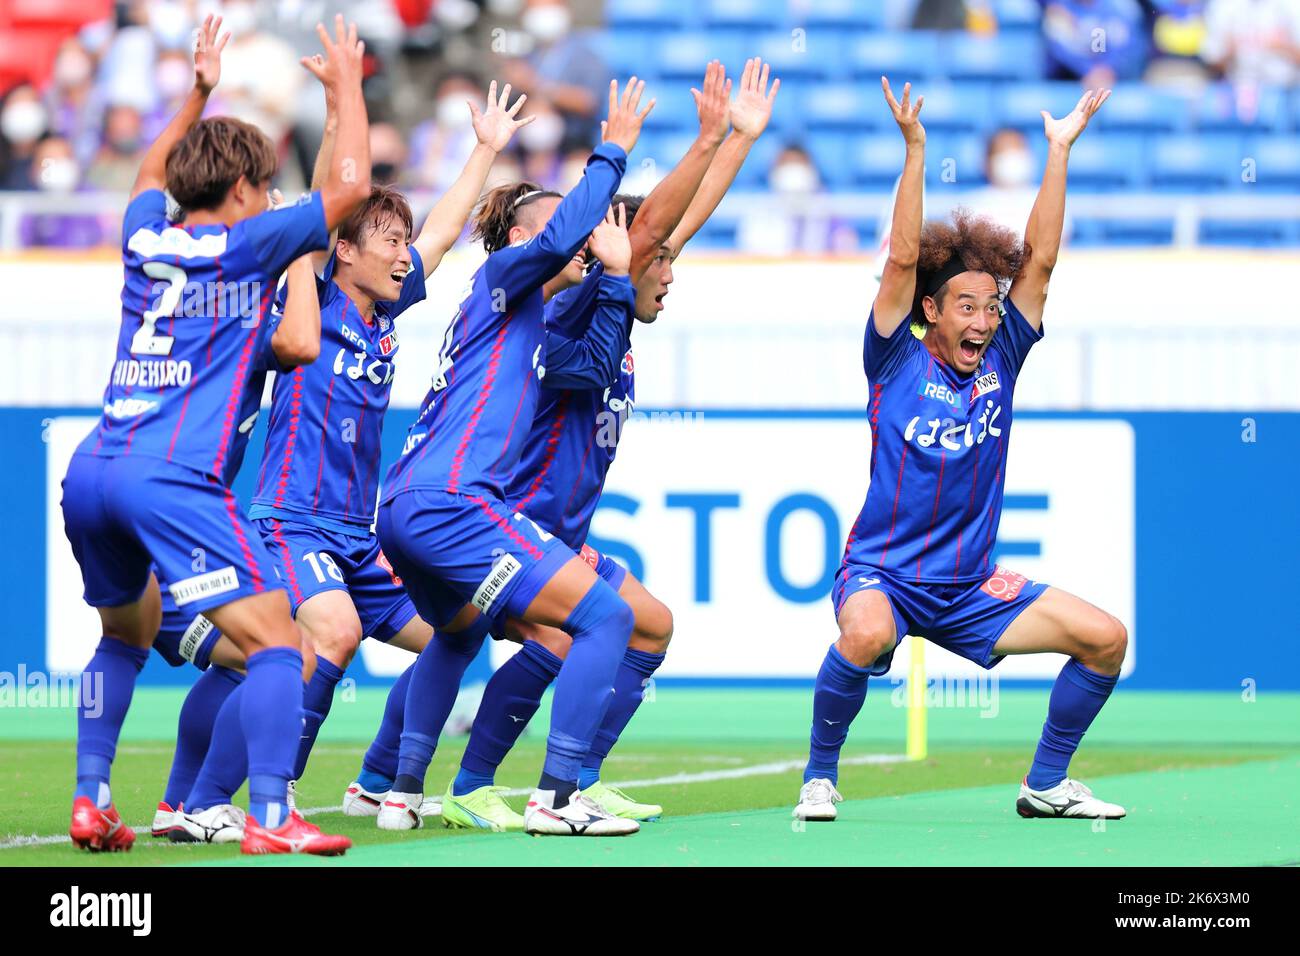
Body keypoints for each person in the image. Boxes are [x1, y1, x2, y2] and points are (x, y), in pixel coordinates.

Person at [429, 58, 780, 832]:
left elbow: (670, 232)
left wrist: (735, 144)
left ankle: (577, 776)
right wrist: (705, 138)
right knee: (560, 635)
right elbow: (651, 228)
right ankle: (476, 782)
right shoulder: (580, 298)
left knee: (650, 625)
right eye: (655, 263)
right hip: (516, 518)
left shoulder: (621, 294)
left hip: (563, 526)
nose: (669, 273)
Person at [58, 15, 370, 855]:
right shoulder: (244, 243)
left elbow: (149, 170)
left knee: (120, 639)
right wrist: (345, 88)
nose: (270, 198)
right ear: (239, 191)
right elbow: (346, 194)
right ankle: (270, 814)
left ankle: (91, 796)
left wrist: (195, 91)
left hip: (94, 467)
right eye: (263, 186)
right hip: (173, 474)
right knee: (281, 643)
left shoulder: (141, 236)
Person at [794, 80, 1129, 823]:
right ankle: (820, 777)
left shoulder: (1002, 358)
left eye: (991, 307)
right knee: (868, 633)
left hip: (969, 587)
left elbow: (1038, 262)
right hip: (882, 574)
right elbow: (901, 259)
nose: (983, 320)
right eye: (966, 307)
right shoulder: (894, 361)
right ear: (931, 313)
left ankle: (1045, 783)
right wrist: (916, 151)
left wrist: (1059, 151)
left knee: (1106, 639)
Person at [374, 78, 653, 837]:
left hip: (407, 504)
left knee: (458, 635)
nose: (583, 237)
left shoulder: (526, 324)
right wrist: (614, 148)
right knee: (604, 616)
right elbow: (562, 238)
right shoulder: (500, 279)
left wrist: (621, 278)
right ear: (528, 241)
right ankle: (560, 796)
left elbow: (593, 367)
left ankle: (399, 794)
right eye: (565, 227)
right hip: (454, 502)